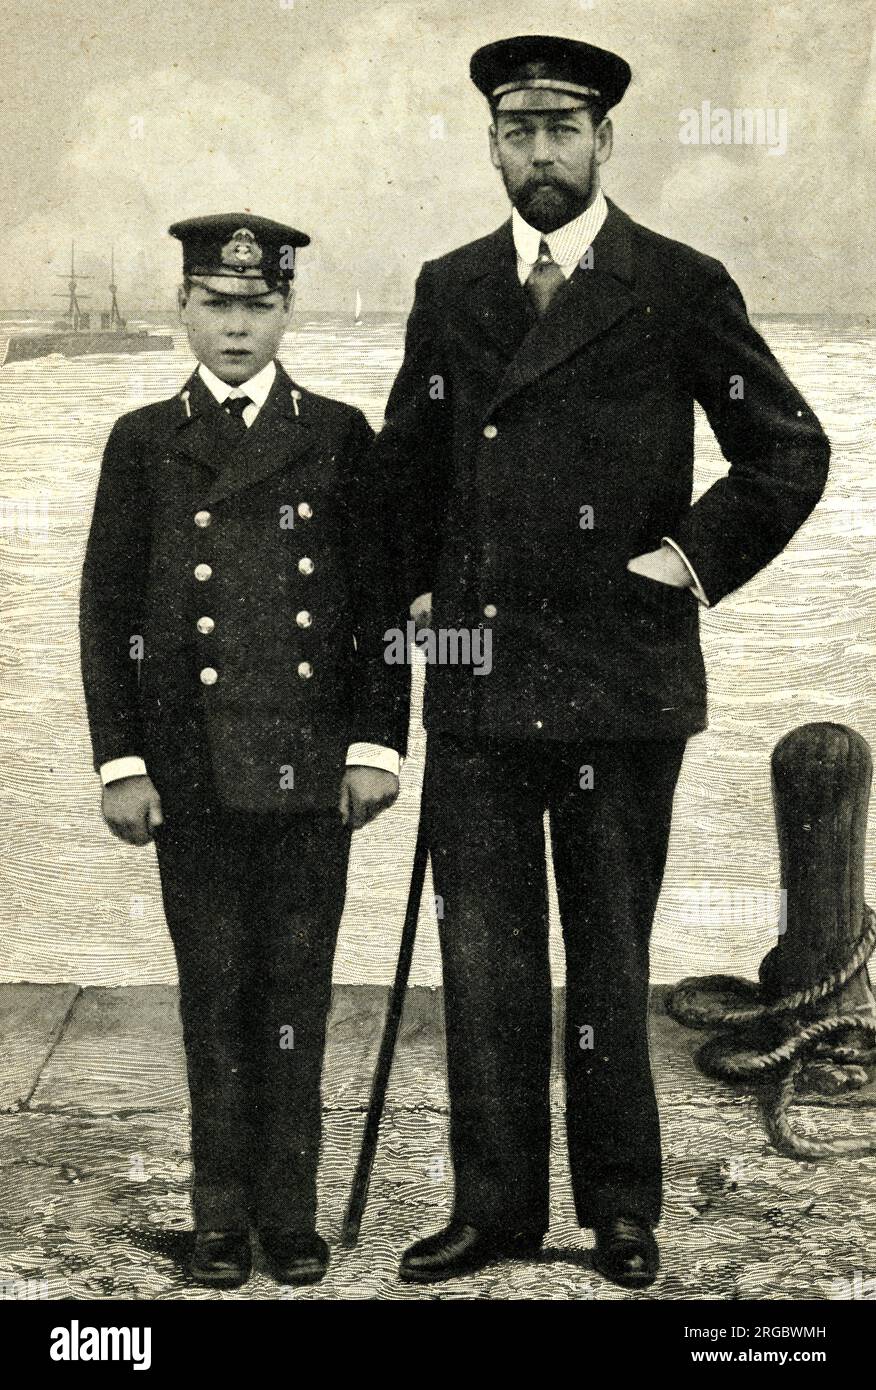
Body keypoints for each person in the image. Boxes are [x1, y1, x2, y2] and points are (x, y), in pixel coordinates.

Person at [366, 35, 830, 1287]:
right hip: (478, 683)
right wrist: (419, 596)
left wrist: (681, 562)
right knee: (487, 965)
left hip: (622, 687)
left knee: (611, 960)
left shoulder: (675, 281)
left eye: (563, 129)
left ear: (606, 140)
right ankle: (497, 1211)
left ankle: (623, 1211)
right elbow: (408, 468)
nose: (540, 154)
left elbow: (790, 450)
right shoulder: (448, 283)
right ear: (493, 142)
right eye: (518, 130)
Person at [79, 213, 406, 1288]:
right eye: (215, 304)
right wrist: (121, 762)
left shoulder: (341, 434)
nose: (235, 327)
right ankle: (220, 1216)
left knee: (295, 997)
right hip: (191, 772)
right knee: (213, 993)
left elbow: (379, 608)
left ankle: (291, 1213)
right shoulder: (142, 440)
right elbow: (107, 610)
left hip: (312, 771)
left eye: (257, 305)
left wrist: (375, 744)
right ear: (182, 307)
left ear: (287, 311)